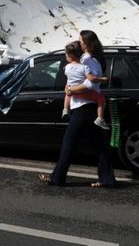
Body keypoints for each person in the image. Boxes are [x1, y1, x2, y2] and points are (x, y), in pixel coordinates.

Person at [39, 30, 115, 188]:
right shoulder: (92, 59)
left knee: (69, 142)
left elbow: (91, 83)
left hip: (83, 107)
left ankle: (57, 178)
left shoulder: (87, 60)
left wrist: (72, 90)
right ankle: (107, 179)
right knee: (99, 144)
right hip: (88, 106)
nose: (78, 43)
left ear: (86, 44)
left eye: (80, 41)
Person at [61, 41, 109, 130]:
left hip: (72, 92)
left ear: (69, 56)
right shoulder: (84, 67)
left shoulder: (67, 67)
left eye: (66, 55)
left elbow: (69, 78)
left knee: (67, 94)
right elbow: (91, 79)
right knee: (101, 99)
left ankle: (65, 109)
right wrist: (102, 79)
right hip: (83, 92)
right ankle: (100, 119)